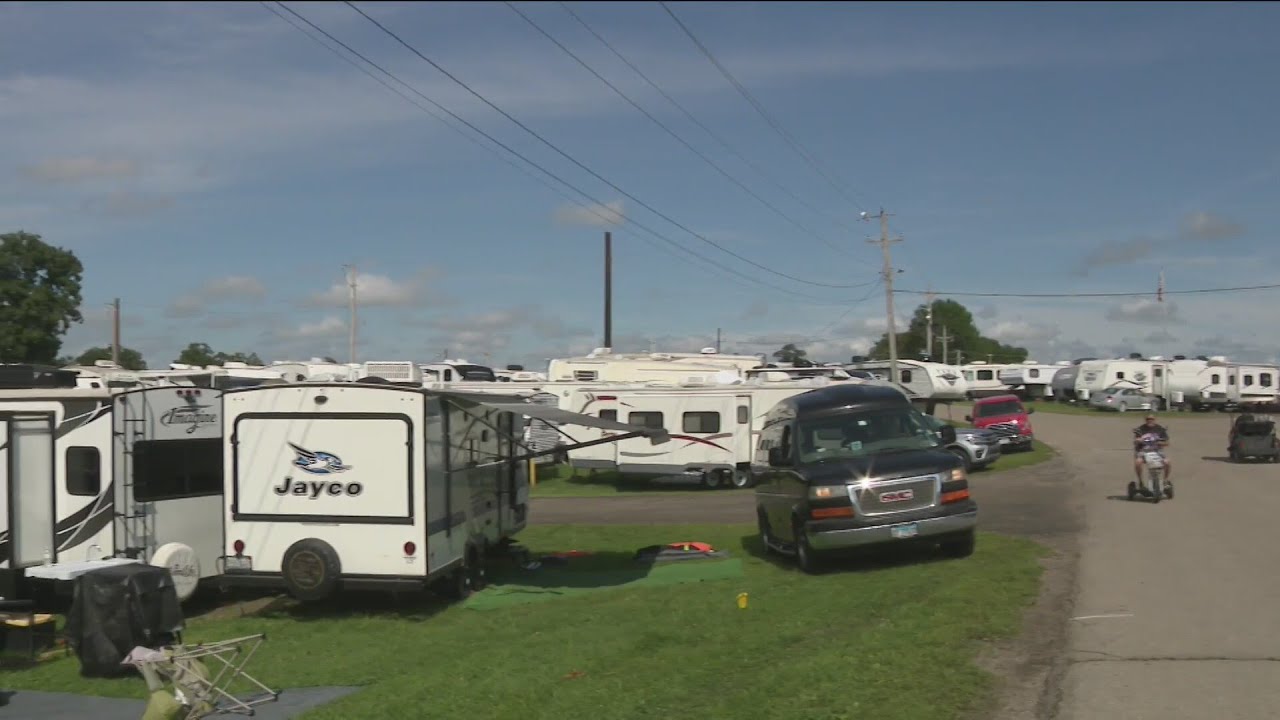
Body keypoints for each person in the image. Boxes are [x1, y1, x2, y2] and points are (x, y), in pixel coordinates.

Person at [1133, 413, 1171, 486]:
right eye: (1148, 419)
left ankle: (1165, 481)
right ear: (1145, 420)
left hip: (1157, 451)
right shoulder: (1140, 429)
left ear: (1155, 420)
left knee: (1167, 462)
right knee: (1138, 462)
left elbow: (1167, 443)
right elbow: (1136, 441)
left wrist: (1159, 442)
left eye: (1151, 419)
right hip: (1143, 451)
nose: (1150, 421)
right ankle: (1140, 481)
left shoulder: (1160, 429)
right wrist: (1138, 440)